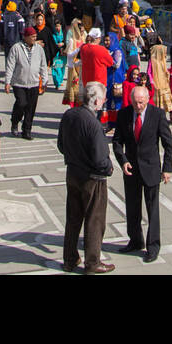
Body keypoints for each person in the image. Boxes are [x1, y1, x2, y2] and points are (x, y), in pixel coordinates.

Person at [57, 82, 114, 274]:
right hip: (92, 178)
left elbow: (61, 145)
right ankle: (92, 262)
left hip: (72, 173)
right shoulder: (94, 124)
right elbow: (100, 158)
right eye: (102, 99)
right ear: (97, 101)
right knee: (94, 220)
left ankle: (69, 259)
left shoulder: (69, 115)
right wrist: (109, 168)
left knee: (73, 218)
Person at [112, 85, 172, 262]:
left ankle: (153, 245)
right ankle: (135, 240)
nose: (138, 106)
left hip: (151, 168)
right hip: (131, 169)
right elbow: (117, 141)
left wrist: (167, 168)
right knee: (132, 207)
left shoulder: (158, 114)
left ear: (147, 99)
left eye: (141, 102)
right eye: (135, 102)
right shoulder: (124, 114)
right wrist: (123, 161)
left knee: (152, 209)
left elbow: (168, 143)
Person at [4, 26, 48, 139]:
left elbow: (43, 65)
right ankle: (15, 121)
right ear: (26, 37)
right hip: (19, 82)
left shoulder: (39, 49)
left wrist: (44, 80)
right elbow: (10, 65)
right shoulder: (16, 48)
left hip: (34, 83)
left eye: (35, 37)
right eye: (32, 37)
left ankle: (26, 130)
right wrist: (7, 82)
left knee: (31, 108)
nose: (34, 39)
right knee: (21, 103)